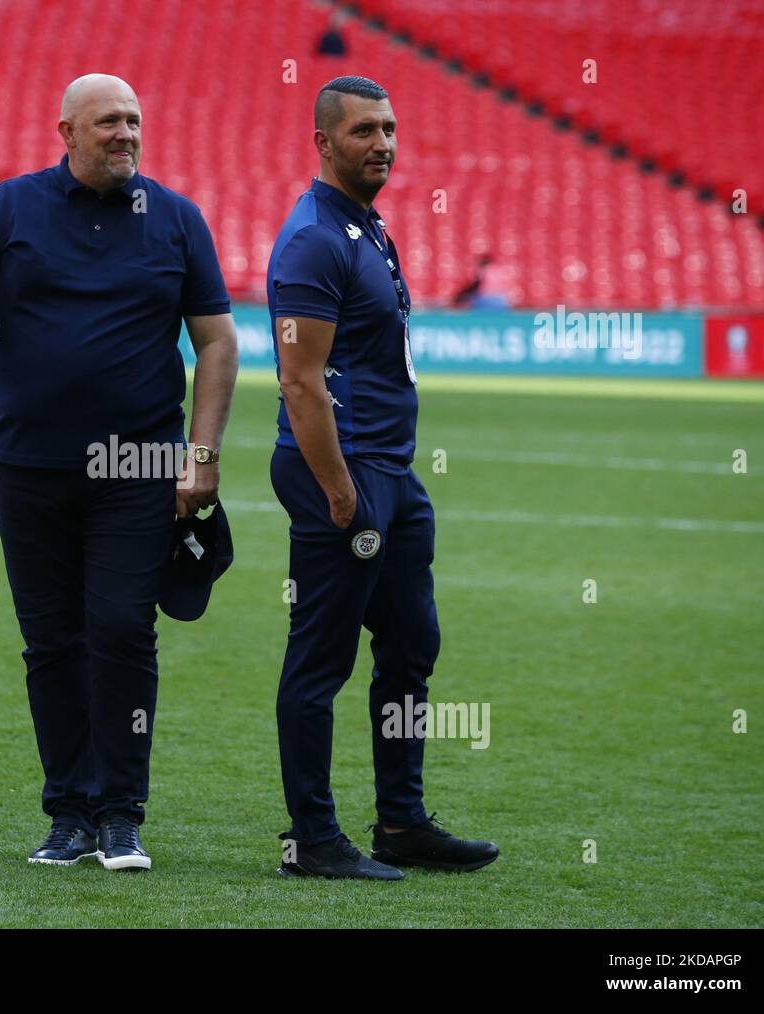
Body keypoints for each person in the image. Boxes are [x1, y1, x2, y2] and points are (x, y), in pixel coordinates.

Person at [0, 74, 238, 871]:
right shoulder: (10, 207)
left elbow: (217, 342)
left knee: (121, 630)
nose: (126, 134)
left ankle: (122, 813)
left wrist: (201, 455)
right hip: (28, 463)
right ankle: (68, 811)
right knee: (51, 642)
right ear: (66, 130)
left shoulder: (176, 218)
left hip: (139, 467)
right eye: (108, 122)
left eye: (135, 120)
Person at [267, 77, 499, 878]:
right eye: (366, 130)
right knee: (321, 658)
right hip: (345, 472)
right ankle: (314, 840)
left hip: (391, 471)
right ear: (324, 143)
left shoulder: (366, 228)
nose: (384, 144)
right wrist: (338, 489)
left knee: (409, 647)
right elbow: (301, 381)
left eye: (391, 129)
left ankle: (401, 824)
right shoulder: (312, 239)